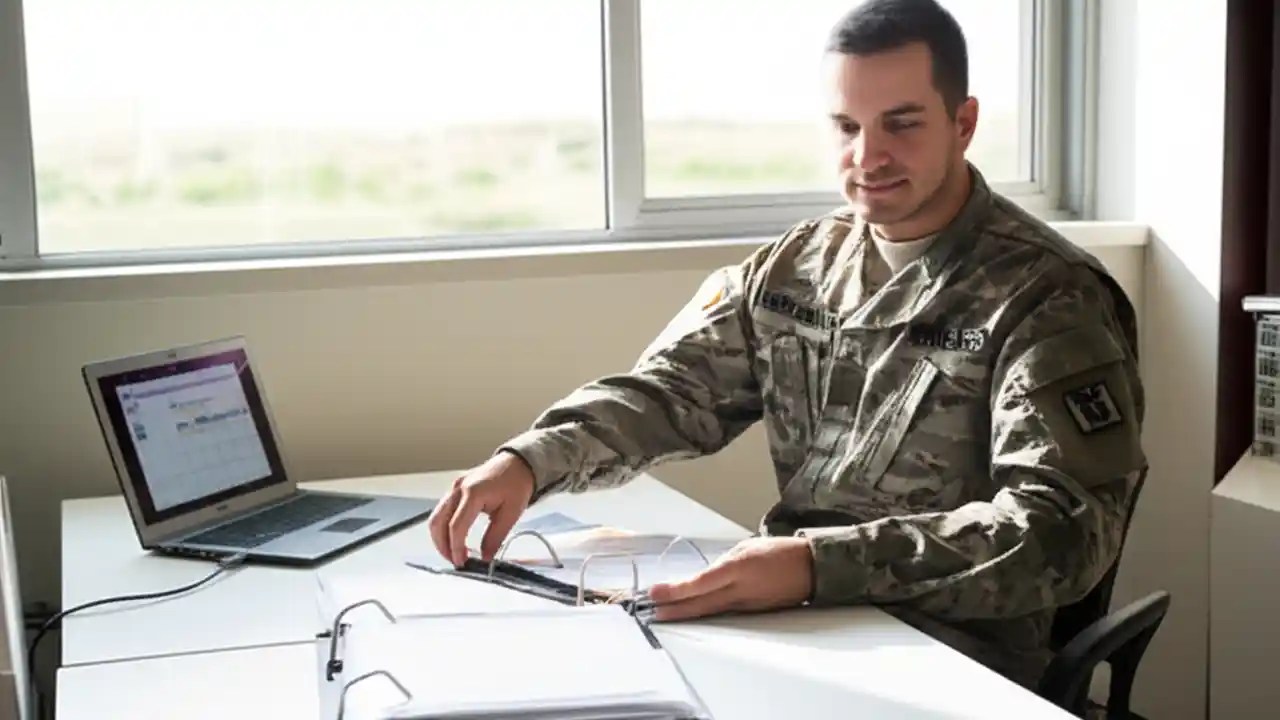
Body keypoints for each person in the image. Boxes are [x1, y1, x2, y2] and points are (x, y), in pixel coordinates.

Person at [427, 0, 1145, 690]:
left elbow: (1059, 531)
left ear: (963, 123)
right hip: (792, 618)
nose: (868, 157)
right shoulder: (794, 269)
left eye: (902, 124)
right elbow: (668, 392)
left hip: (950, 653)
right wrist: (528, 460)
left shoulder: (1048, 296)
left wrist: (812, 566)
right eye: (845, 126)